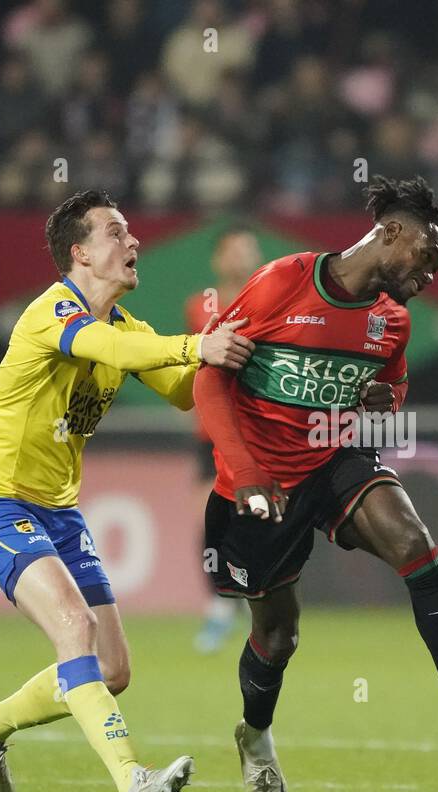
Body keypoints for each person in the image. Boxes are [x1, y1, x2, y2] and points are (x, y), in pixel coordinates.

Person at [195, 176, 438, 792]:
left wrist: (385, 401)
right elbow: (210, 379)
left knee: (414, 545)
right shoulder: (281, 283)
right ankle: (255, 736)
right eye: (428, 257)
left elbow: (392, 389)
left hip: (333, 462)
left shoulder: (392, 321)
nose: (430, 275)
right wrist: (247, 471)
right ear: (393, 234)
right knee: (278, 634)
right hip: (259, 483)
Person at [0, 189, 254, 792]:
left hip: (60, 512)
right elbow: (119, 355)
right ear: (79, 252)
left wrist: (246, 360)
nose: (133, 242)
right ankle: (133, 782)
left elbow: (180, 391)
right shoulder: (53, 311)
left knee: (112, 670)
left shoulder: (127, 327)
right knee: (74, 628)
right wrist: (197, 346)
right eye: (116, 233)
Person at [187, 223, 262, 653]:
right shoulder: (200, 306)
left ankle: (256, 599)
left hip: (255, 430)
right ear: (219, 258)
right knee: (208, 519)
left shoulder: (271, 301)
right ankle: (219, 603)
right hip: (211, 434)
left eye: (247, 248)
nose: (241, 256)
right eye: (233, 249)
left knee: (257, 516)